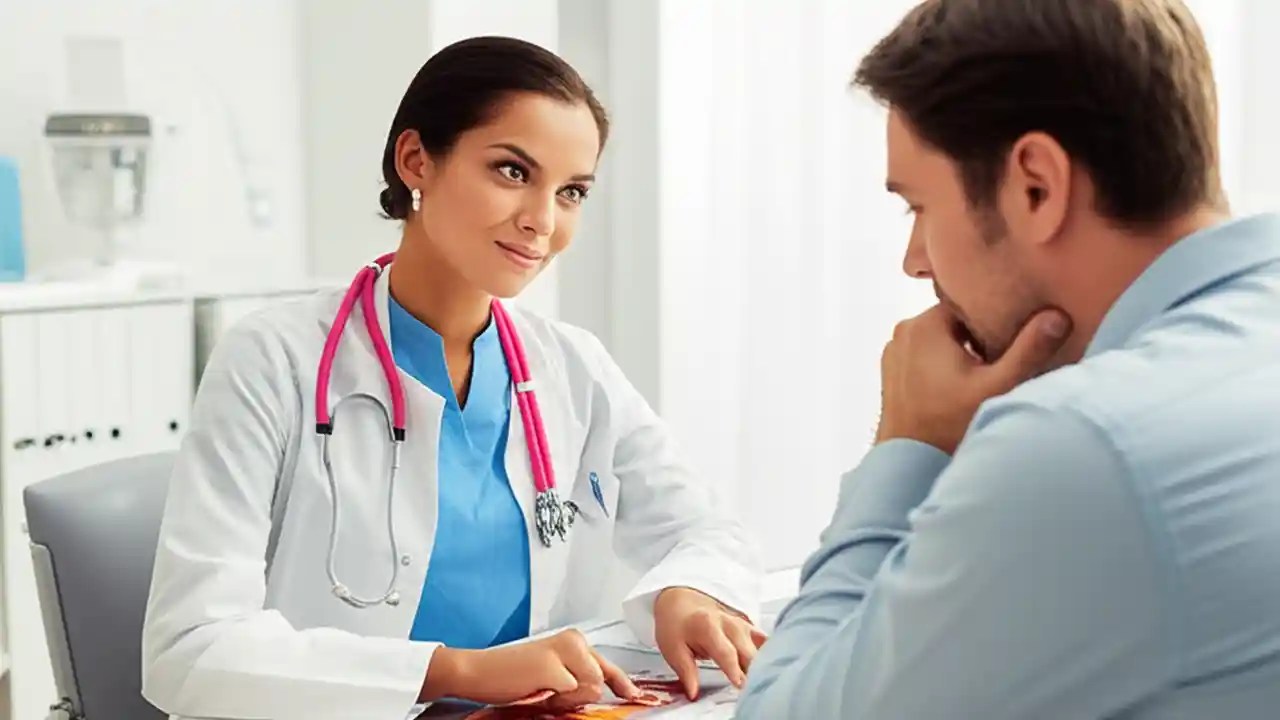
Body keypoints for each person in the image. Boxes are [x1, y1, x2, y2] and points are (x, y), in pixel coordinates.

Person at [141, 36, 763, 720]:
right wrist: (455, 671)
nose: (543, 221)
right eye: (512, 171)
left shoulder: (572, 368)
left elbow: (705, 530)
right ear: (417, 161)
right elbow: (191, 649)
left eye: (572, 191)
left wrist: (690, 590)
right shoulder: (274, 359)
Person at [738, 0, 1280, 718]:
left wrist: (909, 443)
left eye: (918, 208)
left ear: (1036, 186)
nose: (915, 260)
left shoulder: (1081, 448)